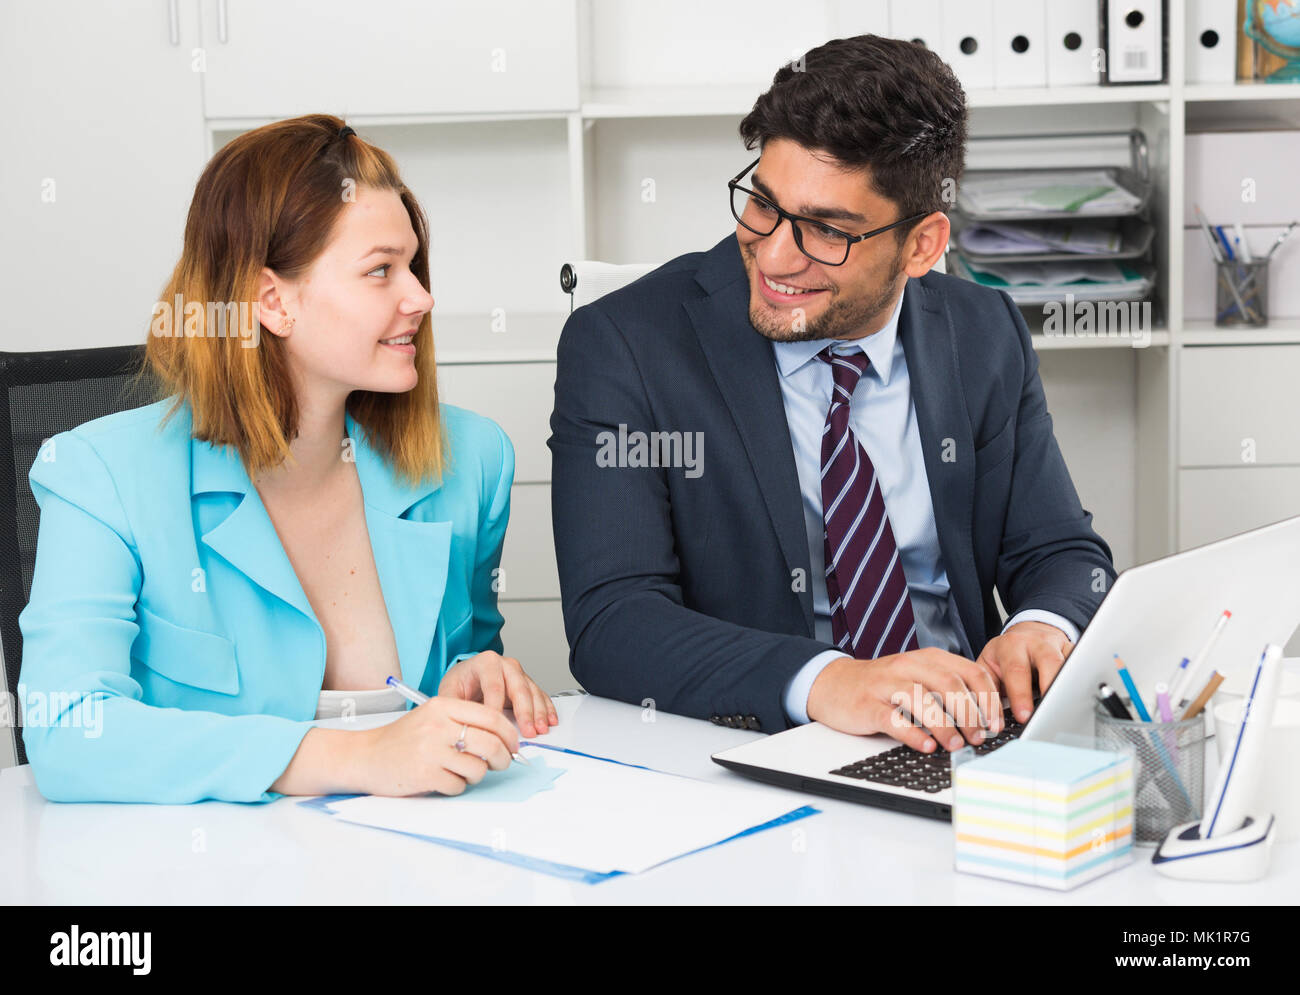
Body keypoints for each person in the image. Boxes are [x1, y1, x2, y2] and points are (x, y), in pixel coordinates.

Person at [549, 35, 1116, 753]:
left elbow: (1062, 550)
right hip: (762, 752)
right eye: (762, 203)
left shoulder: (982, 332)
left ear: (922, 245)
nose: (774, 255)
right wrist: (829, 681)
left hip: (962, 740)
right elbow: (613, 621)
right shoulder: (626, 345)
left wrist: (1040, 625)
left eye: (826, 230)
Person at [19, 115, 557, 804]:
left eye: (414, 267)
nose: (420, 298)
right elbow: (68, 730)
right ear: (272, 300)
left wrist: (465, 683)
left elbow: (449, 661)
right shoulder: (101, 477)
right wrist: (354, 756)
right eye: (381, 271)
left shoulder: (470, 461)